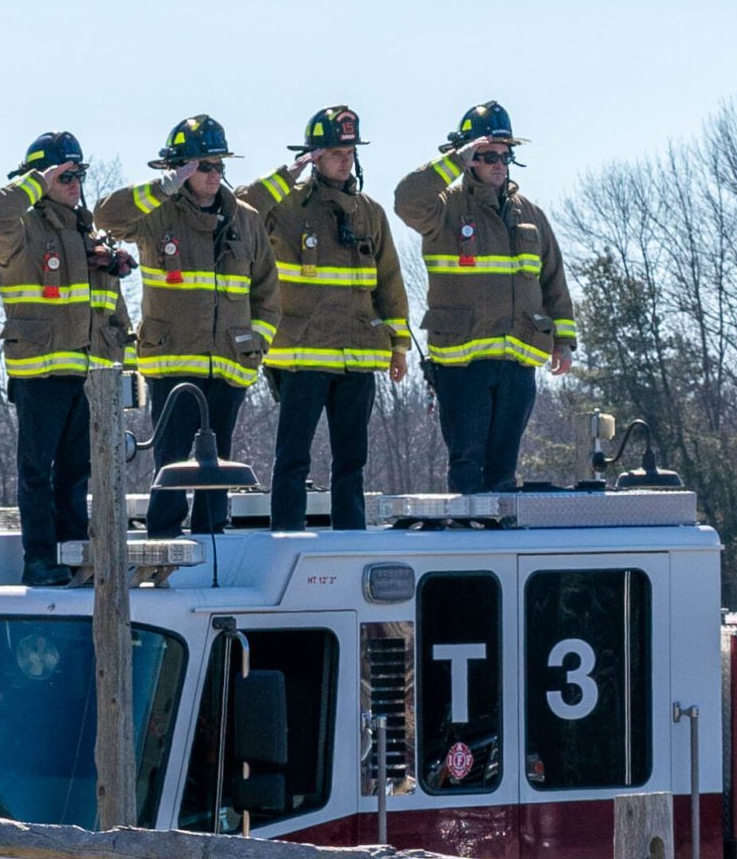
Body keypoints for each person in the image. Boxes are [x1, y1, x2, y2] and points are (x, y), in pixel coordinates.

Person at [96, 114, 279, 540]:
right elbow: (106, 216)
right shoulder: (156, 215)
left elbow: (268, 293)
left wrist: (256, 348)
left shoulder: (246, 220)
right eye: (203, 166)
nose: (214, 175)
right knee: (173, 460)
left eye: (218, 166)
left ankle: (212, 537)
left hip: (230, 365)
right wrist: (164, 187)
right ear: (180, 168)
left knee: (219, 462)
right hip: (173, 362)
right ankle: (164, 538)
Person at [238, 105, 410, 531]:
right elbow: (239, 209)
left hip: (358, 357)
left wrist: (399, 345)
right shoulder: (287, 205)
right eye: (335, 152)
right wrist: (284, 176)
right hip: (301, 355)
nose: (345, 159)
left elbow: (389, 281)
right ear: (314, 156)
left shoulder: (369, 212)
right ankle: (287, 534)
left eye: (350, 151)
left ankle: (350, 538)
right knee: (293, 457)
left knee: (352, 459)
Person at [393, 100, 577, 494]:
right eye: (487, 154)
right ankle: (466, 541)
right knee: (467, 463)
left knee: (503, 470)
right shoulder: (444, 208)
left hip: (517, 359)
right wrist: (450, 164)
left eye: (504, 154)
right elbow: (406, 200)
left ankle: (500, 542)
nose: (498, 162)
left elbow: (553, 282)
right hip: (463, 362)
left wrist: (564, 342)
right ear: (467, 157)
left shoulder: (530, 214)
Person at [0, 130, 135, 587]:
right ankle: (40, 560)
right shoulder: (22, 229)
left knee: (76, 474)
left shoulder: (88, 232)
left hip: (88, 376)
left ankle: (73, 554)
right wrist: (34, 182)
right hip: (40, 373)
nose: (74, 182)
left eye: (78, 174)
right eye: (64, 175)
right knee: (37, 473)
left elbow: (109, 310)